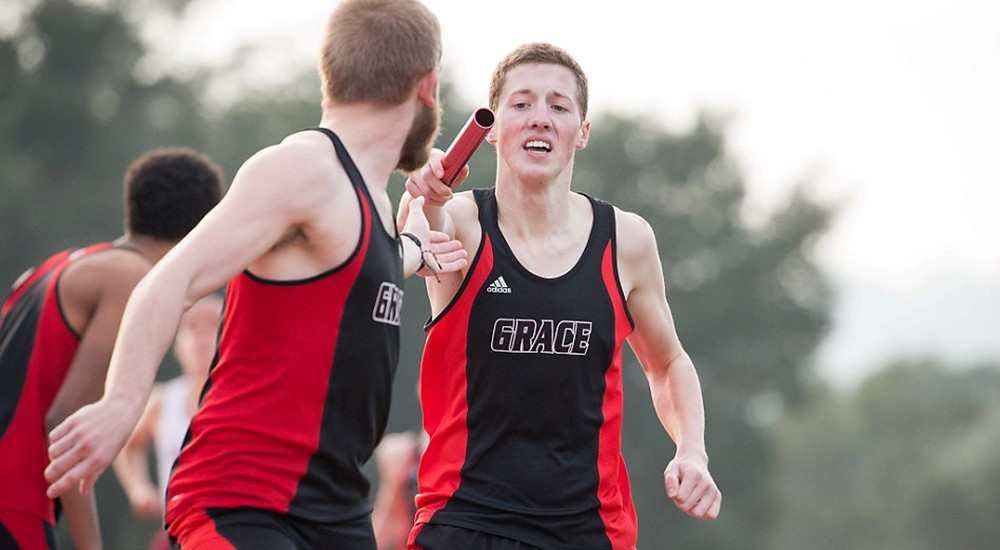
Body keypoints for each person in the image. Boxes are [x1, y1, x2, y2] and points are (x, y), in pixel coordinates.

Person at [43, 0, 467, 548]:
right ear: (428, 84)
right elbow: (169, 279)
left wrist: (411, 247)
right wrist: (122, 402)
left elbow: (362, 270)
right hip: (244, 502)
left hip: (337, 513)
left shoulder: (371, 202)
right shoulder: (304, 168)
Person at [400, 42, 722, 549]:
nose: (540, 119)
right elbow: (415, 231)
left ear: (582, 132)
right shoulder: (462, 222)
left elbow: (667, 364)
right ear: (493, 128)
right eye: (522, 104)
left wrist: (692, 451)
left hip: (589, 530)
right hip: (464, 522)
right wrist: (421, 194)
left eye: (559, 106)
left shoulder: (627, 241)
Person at [0, 148, 225, 550]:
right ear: (202, 226)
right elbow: (67, 422)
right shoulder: (131, 278)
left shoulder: (57, 265)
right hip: (13, 501)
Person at [112, 294, 224, 550]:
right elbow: (127, 446)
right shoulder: (162, 401)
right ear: (177, 345)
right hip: (178, 532)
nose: (202, 339)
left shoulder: (246, 400)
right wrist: (138, 488)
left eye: (213, 327)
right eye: (192, 328)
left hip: (233, 530)